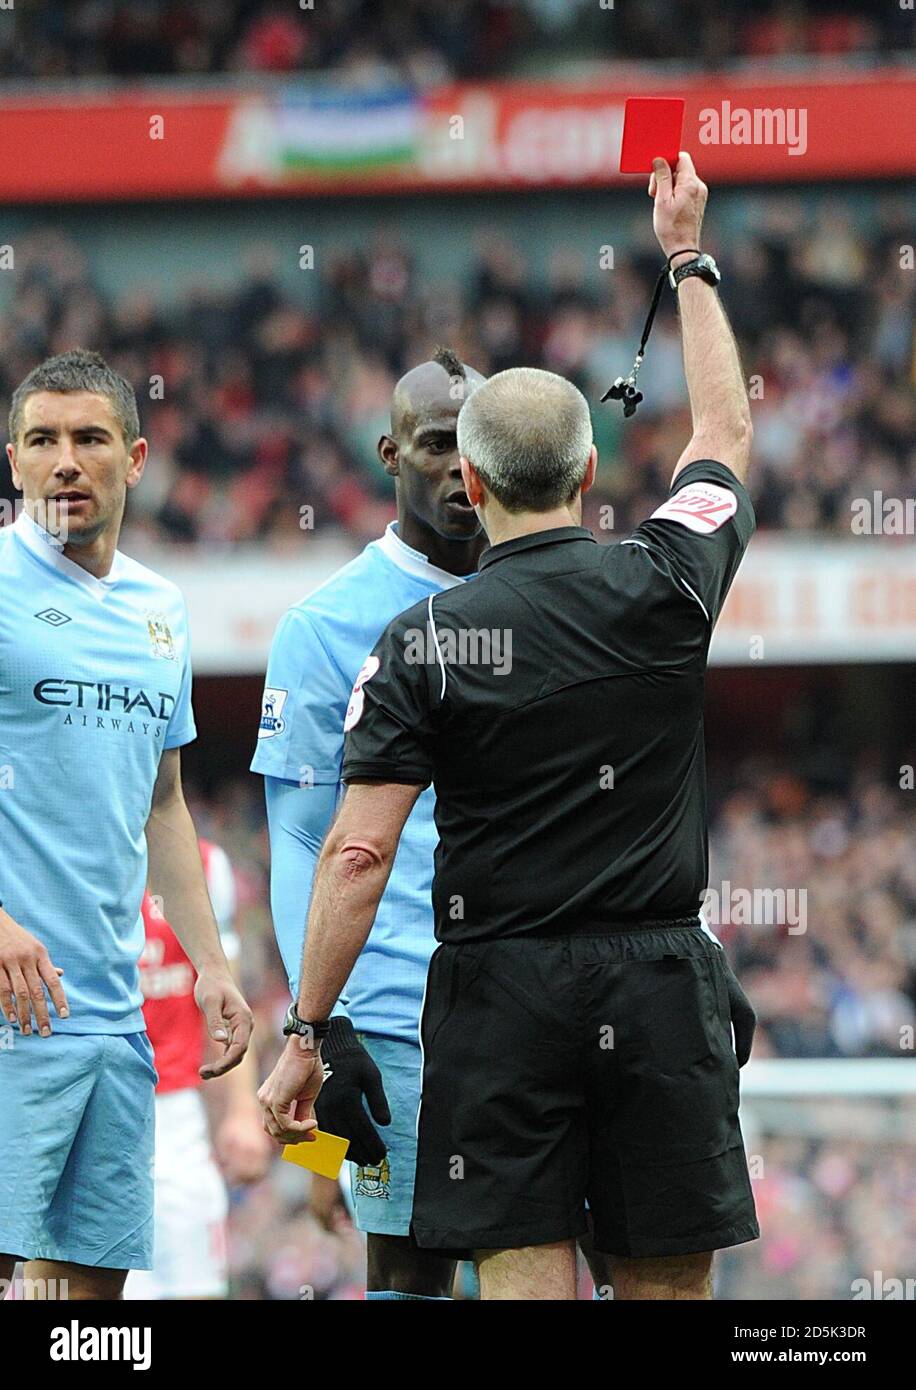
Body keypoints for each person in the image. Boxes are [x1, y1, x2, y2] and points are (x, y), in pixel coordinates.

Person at [259, 153, 759, 1300]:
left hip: (500, 998)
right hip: (659, 978)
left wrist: (305, 1030)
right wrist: (685, 257)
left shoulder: (419, 642)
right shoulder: (669, 578)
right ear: (592, 469)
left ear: (471, 490)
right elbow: (726, 426)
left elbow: (356, 852)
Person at [0, 349, 252, 1301]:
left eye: (89, 438)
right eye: (43, 440)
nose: (66, 460)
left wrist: (211, 967)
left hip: (112, 1018)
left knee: (91, 1305)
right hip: (7, 1012)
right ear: (14, 460)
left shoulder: (162, 611)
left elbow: (162, 804)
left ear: (136, 459)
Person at [251, 348, 487, 1300]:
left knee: (560, 1258)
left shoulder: (558, 598)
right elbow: (304, 839)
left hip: (540, 996)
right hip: (394, 1019)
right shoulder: (325, 626)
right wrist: (325, 1027)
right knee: (409, 1266)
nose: (460, 467)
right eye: (437, 444)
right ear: (391, 453)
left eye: (478, 446)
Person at [125, 840, 272, 1300]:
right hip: (87, 1098)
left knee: (196, 1284)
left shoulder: (207, 866)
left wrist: (242, 1112)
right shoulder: (62, 853)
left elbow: (229, 997)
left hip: (176, 1115)